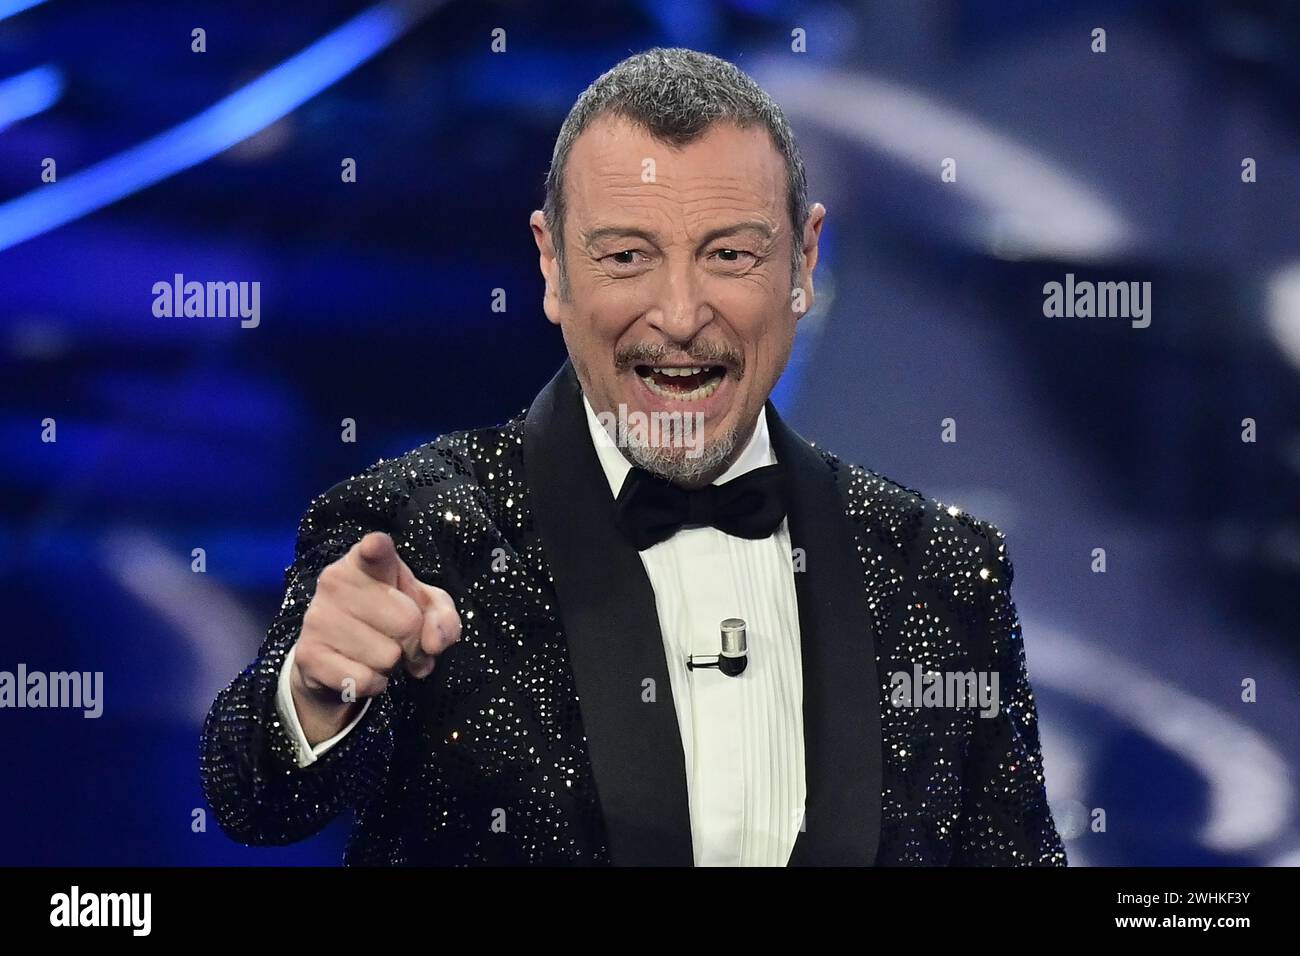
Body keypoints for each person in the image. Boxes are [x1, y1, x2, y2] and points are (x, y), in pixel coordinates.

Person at [199, 47, 1067, 867]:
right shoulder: (419, 533)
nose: (681, 313)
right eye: (627, 257)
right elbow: (255, 798)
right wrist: (315, 695)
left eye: (730, 254)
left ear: (803, 261)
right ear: (552, 267)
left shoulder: (943, 573)